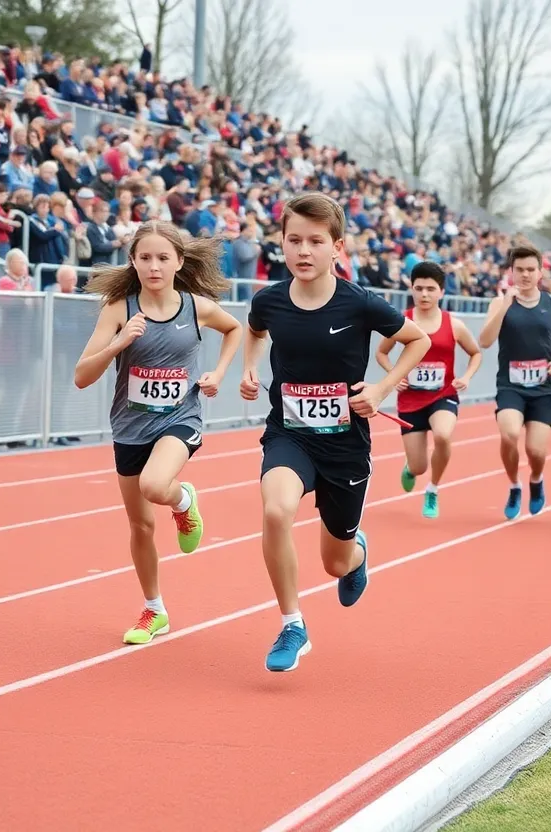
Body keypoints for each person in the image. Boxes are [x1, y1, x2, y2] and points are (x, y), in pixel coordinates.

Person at [240, 192, 430, 673]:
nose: (304, 251)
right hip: (290, 433)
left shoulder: (360, 302)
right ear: (281, 244)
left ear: (337, 248)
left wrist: (383, 387)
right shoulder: (269, 301)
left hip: (345, 446)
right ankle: (292, 624)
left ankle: (358, 551)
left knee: (335, 563)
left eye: (316, 242)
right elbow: (255, 329)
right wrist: (248, 369)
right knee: (276, 510)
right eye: (294, 241)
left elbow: (417, 339)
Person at [74, 221, 243, 646]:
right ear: (132, 261)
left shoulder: (195, 307)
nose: (154, 266)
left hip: (179, 420)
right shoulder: (119, 308)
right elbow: (81, 376)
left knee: (155, 485)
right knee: (141, 526)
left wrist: (218, 373)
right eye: (145, 257)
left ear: (179, 262)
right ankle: (155, 609)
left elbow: (235, 329)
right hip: (130, 427)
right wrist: (118, 343)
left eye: (163, 258)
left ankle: (183, 500)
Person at [478, 245, 551, 519]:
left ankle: (536, 479)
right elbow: (485, 341)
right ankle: (514, 485)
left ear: (540, 273)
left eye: (530, 270)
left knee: (535, 449)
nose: (525, 275)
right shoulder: (499, 303)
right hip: (510, 384)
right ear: (511, 272)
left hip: (543, 387)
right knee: (509, 434)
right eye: (519, 270)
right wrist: (504, 306)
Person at [375, 260, 483, 518]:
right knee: (418, 465)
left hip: (442, 394)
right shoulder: (402, 322)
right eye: (419, 288)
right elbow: (381, 352)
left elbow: (475, 353)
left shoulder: (454, 324)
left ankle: (433, 489)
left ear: (441, 292)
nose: (424, 294)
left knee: (444, 435)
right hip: (410, 400)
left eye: (430, 289)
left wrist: (466, 377)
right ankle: (411, 469)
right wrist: (394, 374)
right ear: (411, 289)